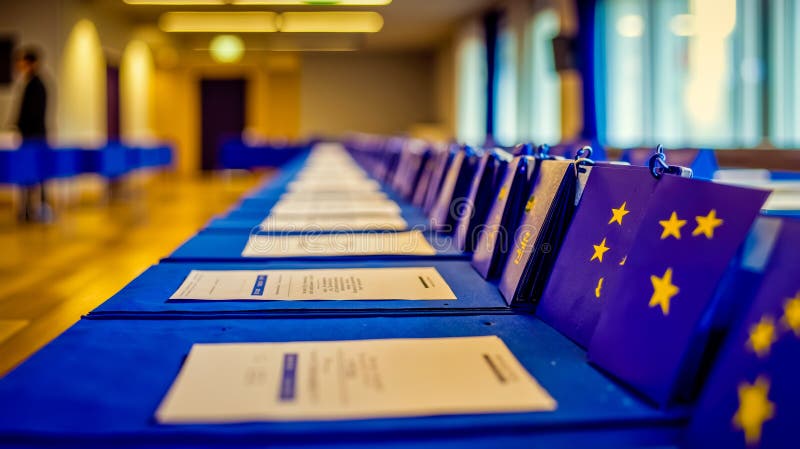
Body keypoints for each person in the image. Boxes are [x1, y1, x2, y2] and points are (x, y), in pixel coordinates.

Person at [14, 46, 50, 222]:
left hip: (34, 138)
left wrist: (21, 126)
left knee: (37, 173)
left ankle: (39, 207)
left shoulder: (37, 85)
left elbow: (34, 114)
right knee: (26, 174)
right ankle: (27, 209)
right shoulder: (28, 84)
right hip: (29, 137)